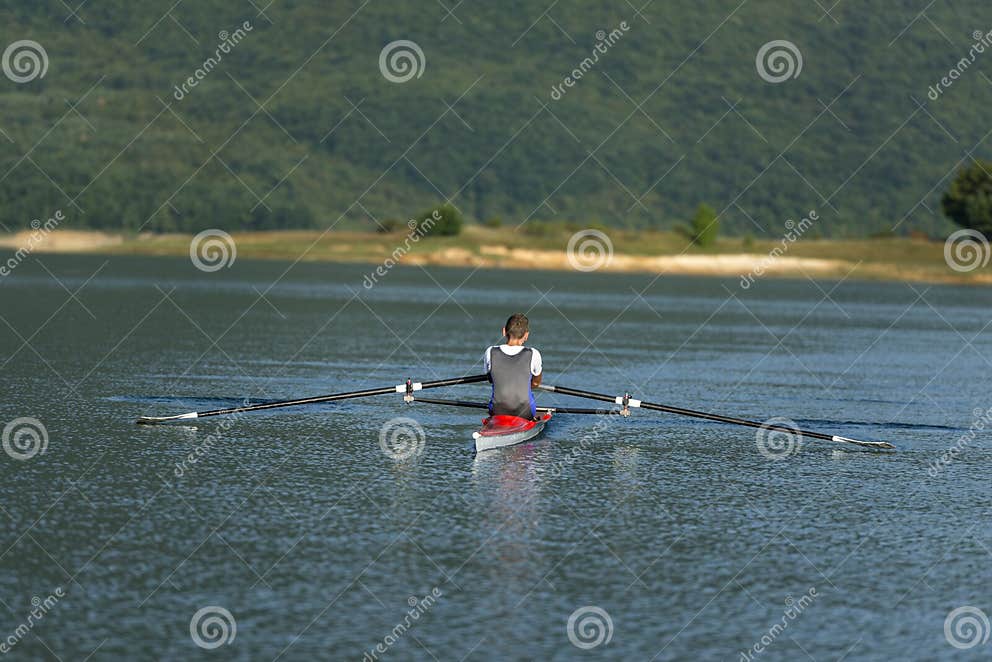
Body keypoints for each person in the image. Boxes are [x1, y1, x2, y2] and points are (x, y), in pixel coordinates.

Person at [484, 313, 543, 419]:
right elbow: (535, 383)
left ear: (504, 331)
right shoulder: (534, 353)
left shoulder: (490, 351)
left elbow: (491, 379)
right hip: (526, 412)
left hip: (497, 410)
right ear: (526, 335)